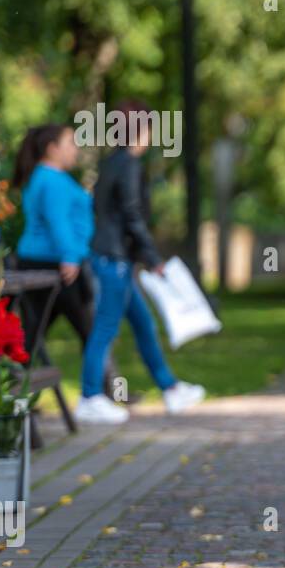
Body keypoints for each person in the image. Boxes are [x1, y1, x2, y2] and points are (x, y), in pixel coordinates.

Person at [77, 100, 204, 425]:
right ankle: (90, 397)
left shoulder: (111, 163)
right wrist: (152, 258)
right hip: (115, 261)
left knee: (144, 325)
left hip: (116, 259)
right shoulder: (130, 165)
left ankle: (171, 389)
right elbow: (132, 216)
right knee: (105, 329)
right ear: (140, 130)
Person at [12, 123, 98, 358]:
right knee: (91, 331)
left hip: (43, 261)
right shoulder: (51, 180)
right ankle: (99, 390)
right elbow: (58, 221)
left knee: (32, 332)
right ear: (52, 148)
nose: (76, 149)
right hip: (57, 264)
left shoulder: (43, 176)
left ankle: (11, 388)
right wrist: (70, 257)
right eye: (70, 143)